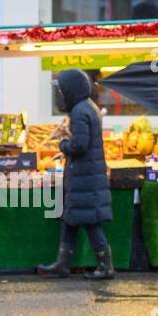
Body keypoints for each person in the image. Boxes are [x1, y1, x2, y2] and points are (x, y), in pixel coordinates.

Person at [37, 69, 115, 279]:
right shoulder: (88, 107)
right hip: (85, 176)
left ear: (72, 89)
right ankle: (62, 264)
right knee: (70, 221)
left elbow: (80, 145)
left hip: (85, 177)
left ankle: (105, 266)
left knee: (90, 222)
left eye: (63, 89)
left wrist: (63, 144)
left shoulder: (80, 111)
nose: (61, 94)